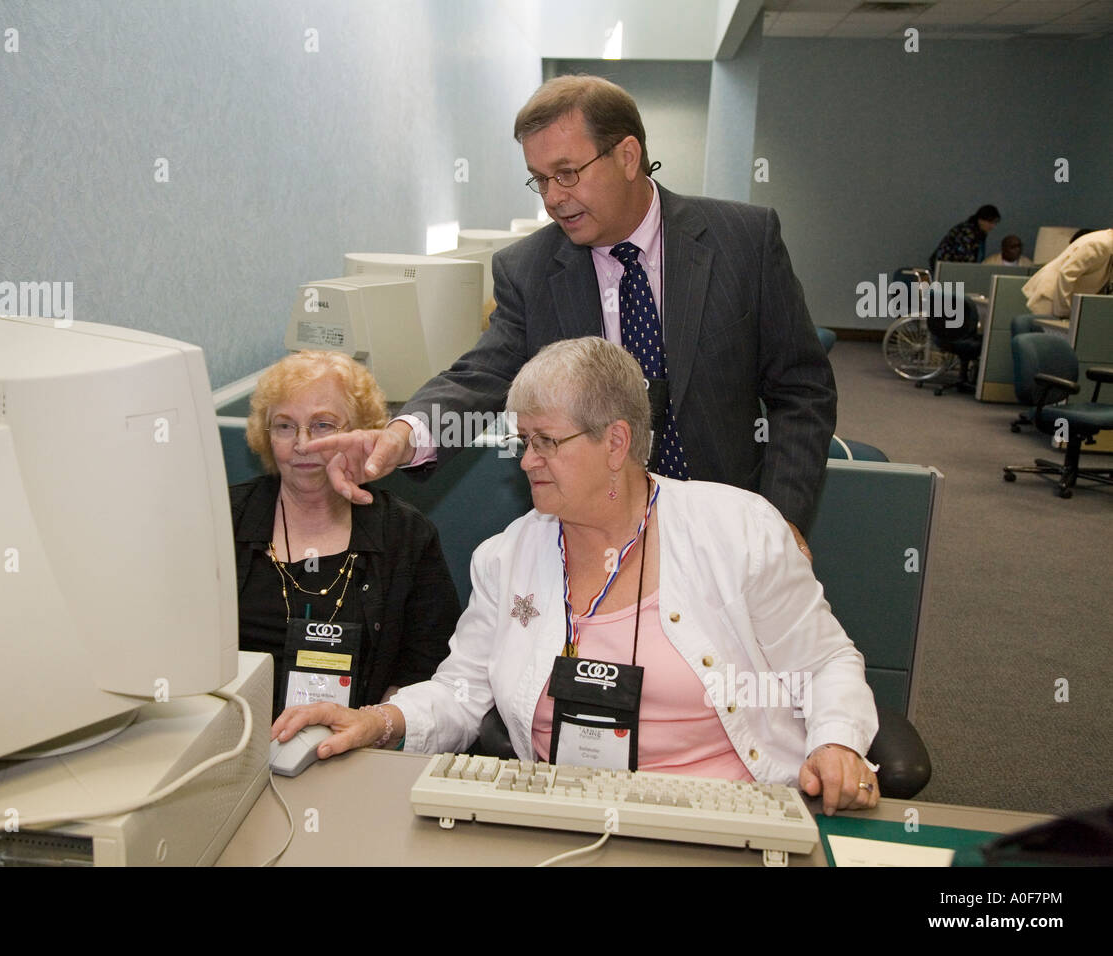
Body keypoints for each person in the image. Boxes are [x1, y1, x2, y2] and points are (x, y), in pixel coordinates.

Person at [274, 338, 881, 816]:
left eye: (546, 442)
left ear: (616, 441)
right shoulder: (508, 557)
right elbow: (462, 693)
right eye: (522, 441)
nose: (526, 460)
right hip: (565, 822)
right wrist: (379, 721)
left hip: (725, 817)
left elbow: (826, 664)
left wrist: (837, 742)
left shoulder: (737, 530)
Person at [302, 75, 834, 560]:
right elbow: (483, 373)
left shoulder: (742, 241)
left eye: (567, 173)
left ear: (628, 156)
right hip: (589, 536)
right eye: (539, 180)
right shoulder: (528, 270)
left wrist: (781, 519)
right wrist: (403, 434)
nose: (554, 199)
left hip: (727, 533)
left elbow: (801, 392)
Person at [231, 350, 460, 717]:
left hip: (358, 745)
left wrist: (371, 730)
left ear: (361, 432)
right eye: (285, 426)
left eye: (323, 425)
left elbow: (427, 669)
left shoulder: (405, 535)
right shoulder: (226, 521)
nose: (303, 444)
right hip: (236, 736)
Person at [1022, 228, 1113, 318]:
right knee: (1050, 330)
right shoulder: (1100, 244)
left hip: (1063, 299)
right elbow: (1067, 274)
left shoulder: (1106, 241)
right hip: (1054, 297)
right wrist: (1064, 311)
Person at [928, 204, 1000, 271]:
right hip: (948, 268)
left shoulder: (977, 232)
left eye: (994, 223)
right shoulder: (966, 233)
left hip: (948, 268)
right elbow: (964, 259)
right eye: (990, 222)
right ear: (980, 219)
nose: (992, 226)